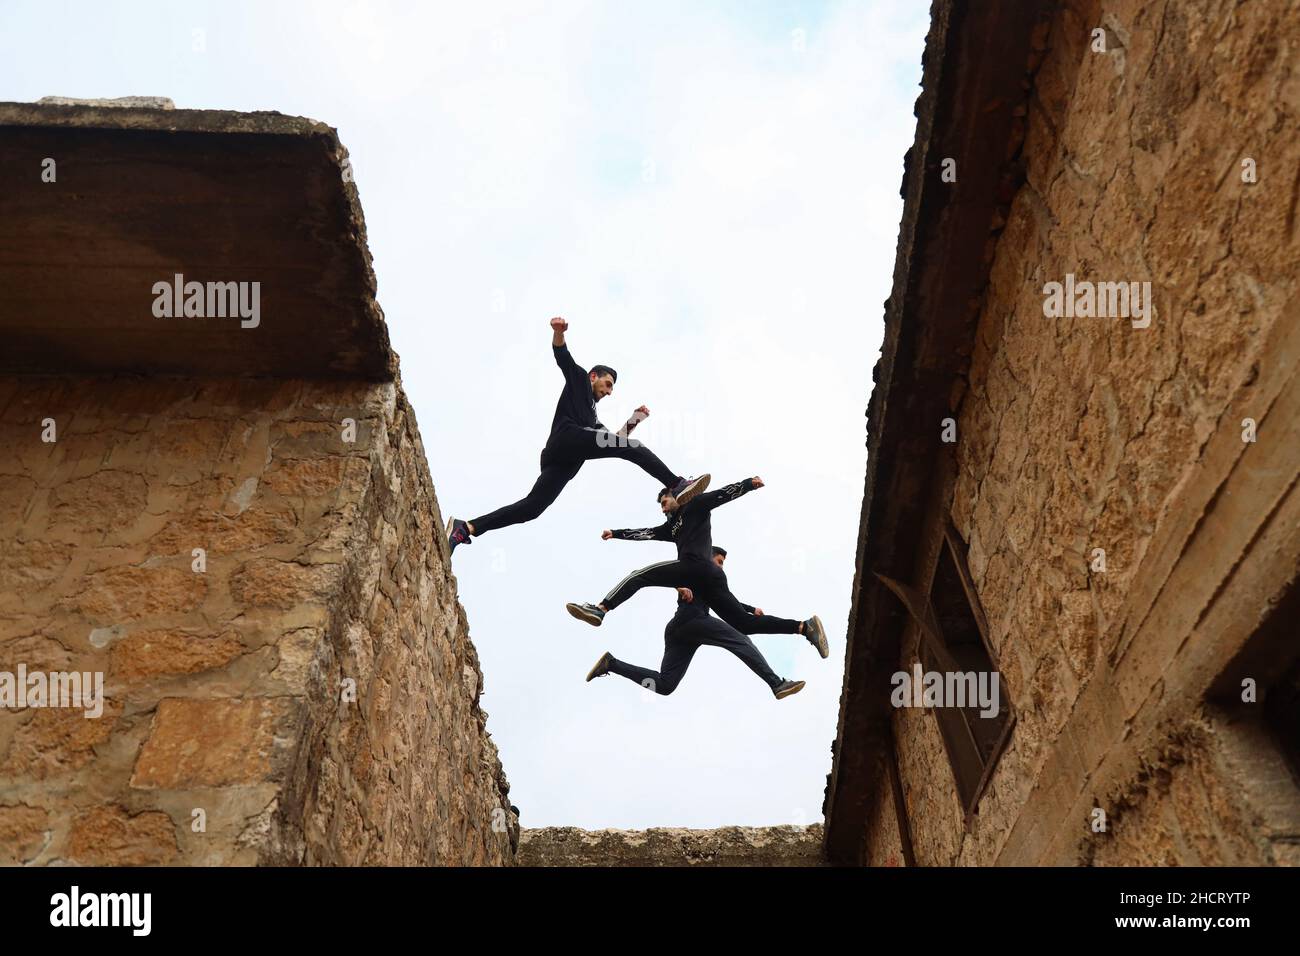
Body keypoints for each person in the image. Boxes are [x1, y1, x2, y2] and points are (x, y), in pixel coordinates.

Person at [446, 316, 708, 553]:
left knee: (533, 507)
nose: (609, 392)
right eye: (607, 384)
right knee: (633, 447)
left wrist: (634, 420)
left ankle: (465, 527)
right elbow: (562, 357)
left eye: (612, 389)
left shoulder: (594, 420)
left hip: (563, 461)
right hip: (567, 438)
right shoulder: (581, 379)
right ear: (595, 376)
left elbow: (617, 439)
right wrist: (559, 333)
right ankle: (677, 483)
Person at [565, 479, 829, 656]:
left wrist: (747, 485)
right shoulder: (671, 527)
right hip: (709, 581)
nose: (663, 507)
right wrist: (616, 533)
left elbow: (721, 495)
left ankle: (600, 609)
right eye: (660, 505)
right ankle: (804, 627)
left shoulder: (697, 506)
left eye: (664, 500)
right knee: (744, 624)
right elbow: (645, 533)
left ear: (677, 495)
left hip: (695, 567)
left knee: (639, 576)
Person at [584, 547, 820, 700]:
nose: (720, 567)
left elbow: (726, 601)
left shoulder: (712, 583)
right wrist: (681, 588)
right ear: (707, 558)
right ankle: (776, 683)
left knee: (666, 685)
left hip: (679, 632)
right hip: (692, 620)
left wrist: (749, 609)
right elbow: (680, 580)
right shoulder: (695, 570)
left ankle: (611, 664)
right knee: (740, 640)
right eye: (718, 561)